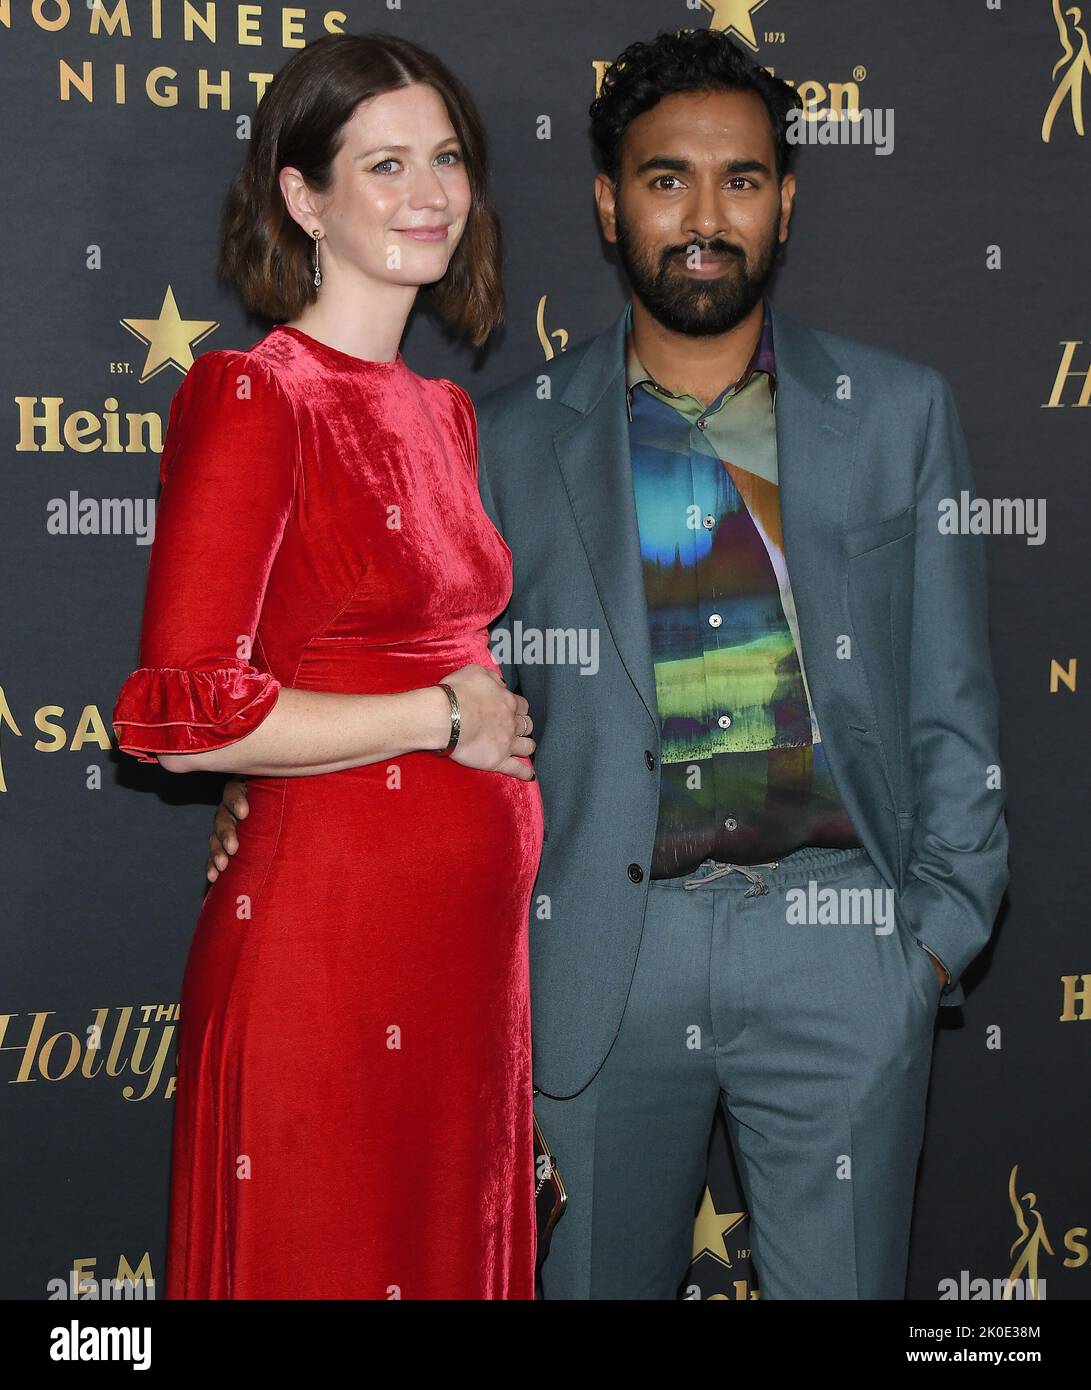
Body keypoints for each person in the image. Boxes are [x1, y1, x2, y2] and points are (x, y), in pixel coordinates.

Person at [208, 29, 1010, 1299]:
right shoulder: (506, 439)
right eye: (663, 179)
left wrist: (925, 946)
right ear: (606, 202)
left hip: (837, 946)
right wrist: (269, 790)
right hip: (589, 957)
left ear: (785, 203)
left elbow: (950, 700)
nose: (703, 215)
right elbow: (415, 673)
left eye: (740, 179)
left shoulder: (896, 413)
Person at [112, 32, 542, 1300]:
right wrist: (433, 718)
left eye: (447, 159)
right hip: (328, 955)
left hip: (462, 967)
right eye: (385, 163)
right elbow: (185, 717)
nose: (429, 194)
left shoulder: (442, 412)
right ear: (302, 198)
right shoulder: (257, 396)